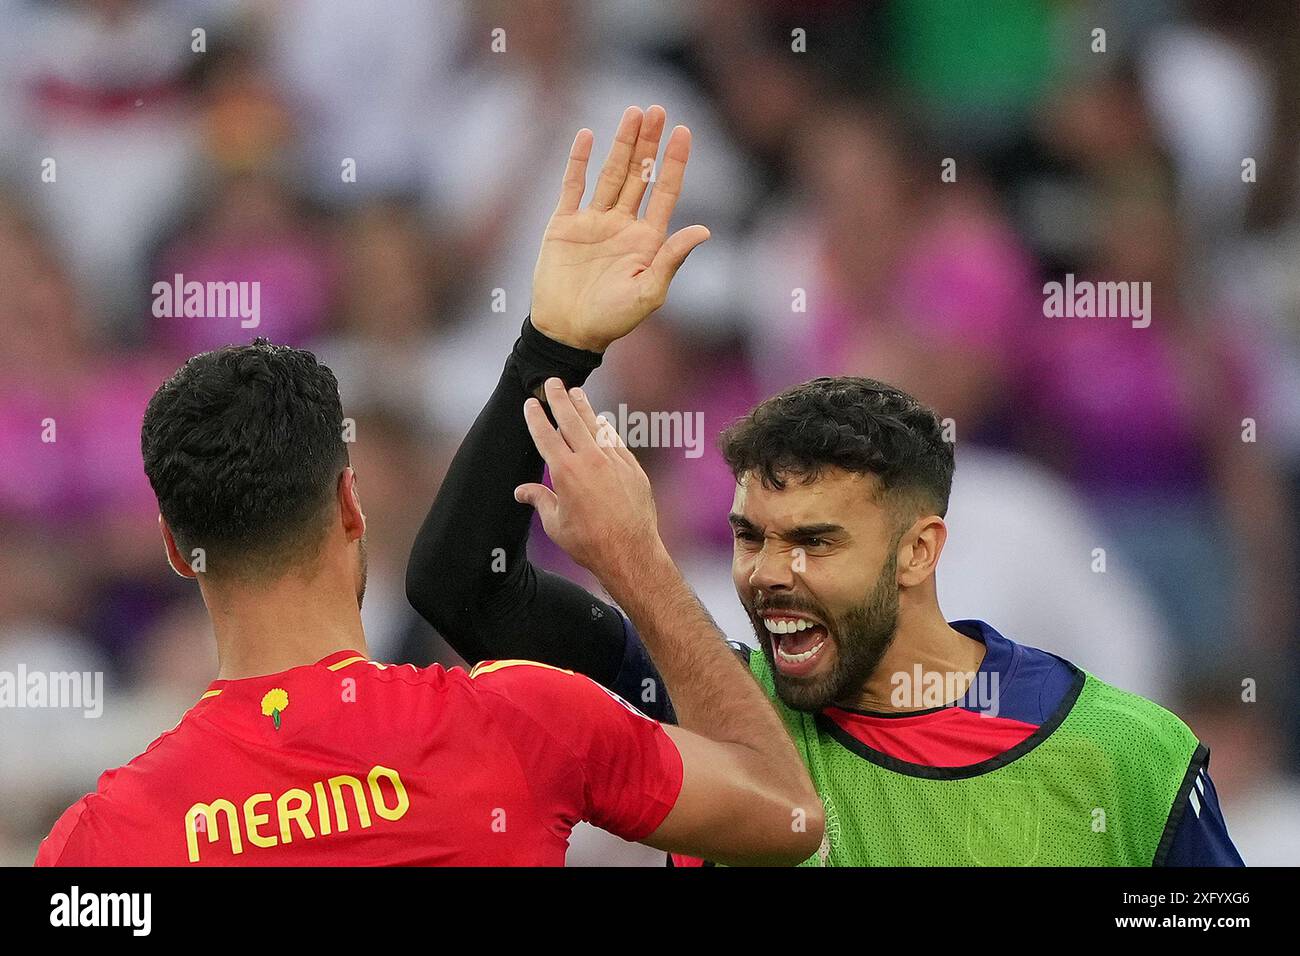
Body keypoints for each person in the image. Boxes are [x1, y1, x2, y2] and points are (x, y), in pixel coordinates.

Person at [407, 105, 1243, 866]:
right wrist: (552, 346)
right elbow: (461, 589)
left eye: (814, 540)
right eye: (751, 536)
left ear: (920, 550)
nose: (770, 572)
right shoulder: (703, 709)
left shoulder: (1128, 756)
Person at [35, 332, 821, 866]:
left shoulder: (101, 842)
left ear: (176, 546)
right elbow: (789, 812)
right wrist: (637, 560)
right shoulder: (525, 720)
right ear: (351, 503)